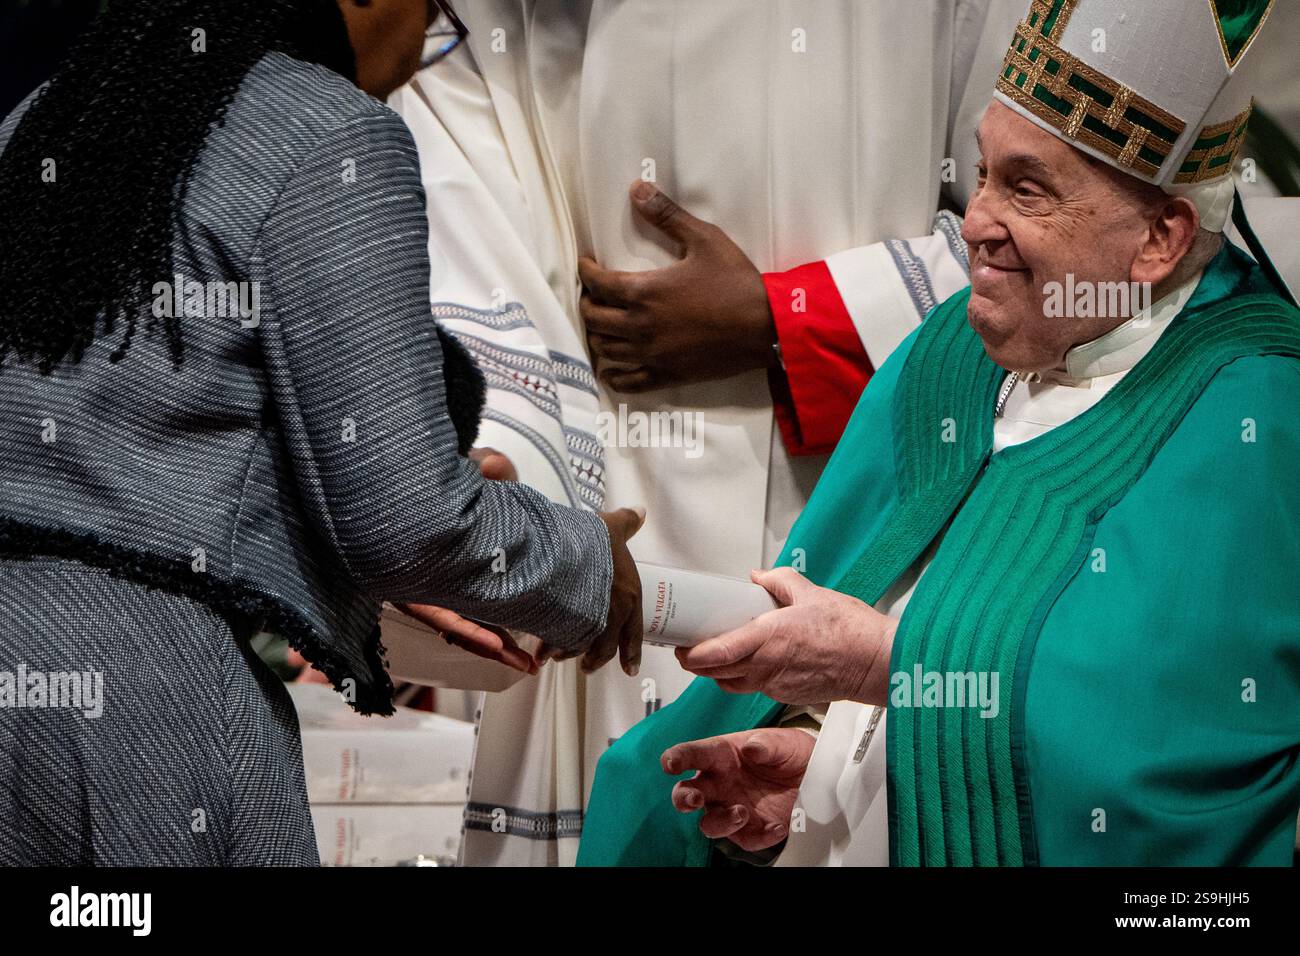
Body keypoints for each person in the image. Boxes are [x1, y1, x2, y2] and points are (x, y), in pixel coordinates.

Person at [598, 0, 1300, 866]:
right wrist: (820, 764)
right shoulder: (954, 352)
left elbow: (1164, 758)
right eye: (982, 172)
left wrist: (882, 667)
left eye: (1026, 189)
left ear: (1160, 237)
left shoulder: (1253, 418)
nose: (973, 222)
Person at [0, 0, 642, 866]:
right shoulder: (329, 131)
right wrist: (590, 564)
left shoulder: (43, 122)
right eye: (433, 13)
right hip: (146, 709)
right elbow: (412, 521)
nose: (421, 54)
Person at [391, 0, 1028, 866]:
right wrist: (490, 487)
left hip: (865, 489)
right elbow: (467, 174)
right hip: (603, 469)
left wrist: (790, 320)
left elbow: (1066, 201)